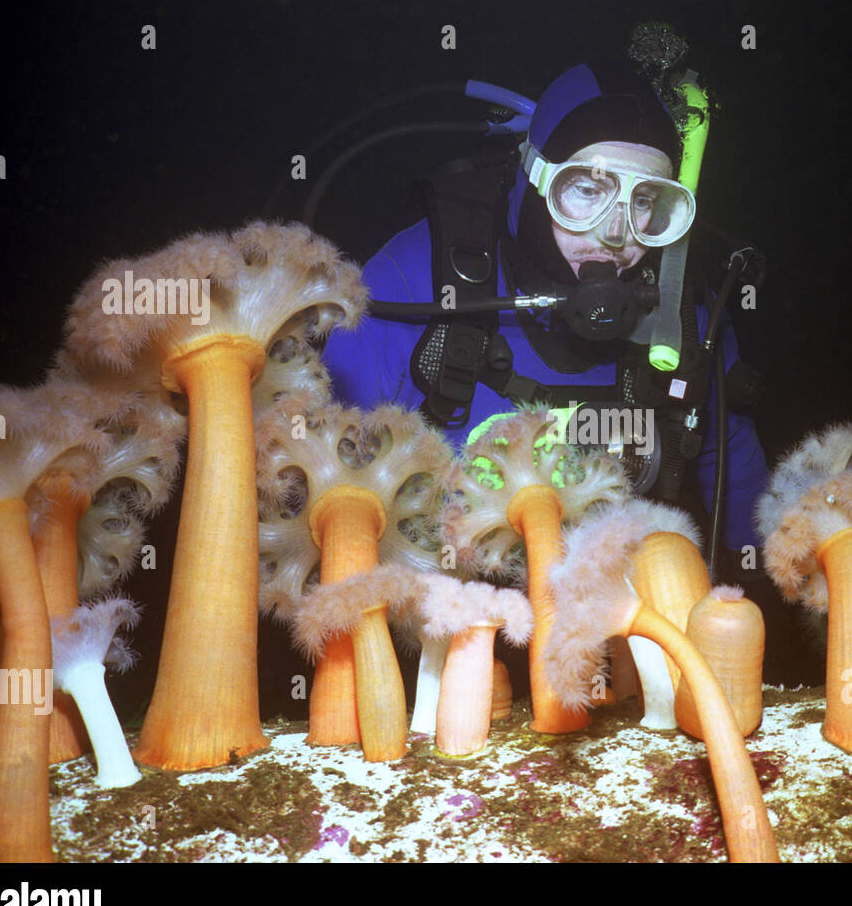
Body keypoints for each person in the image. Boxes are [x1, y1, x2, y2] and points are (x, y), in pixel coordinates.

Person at [322, 61, 769, 566]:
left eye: (645, 200)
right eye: (587, 189)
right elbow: (326, 491)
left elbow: (734, 476)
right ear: (535, 177)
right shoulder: (407, 285)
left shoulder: (686, 318)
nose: (616, 235)